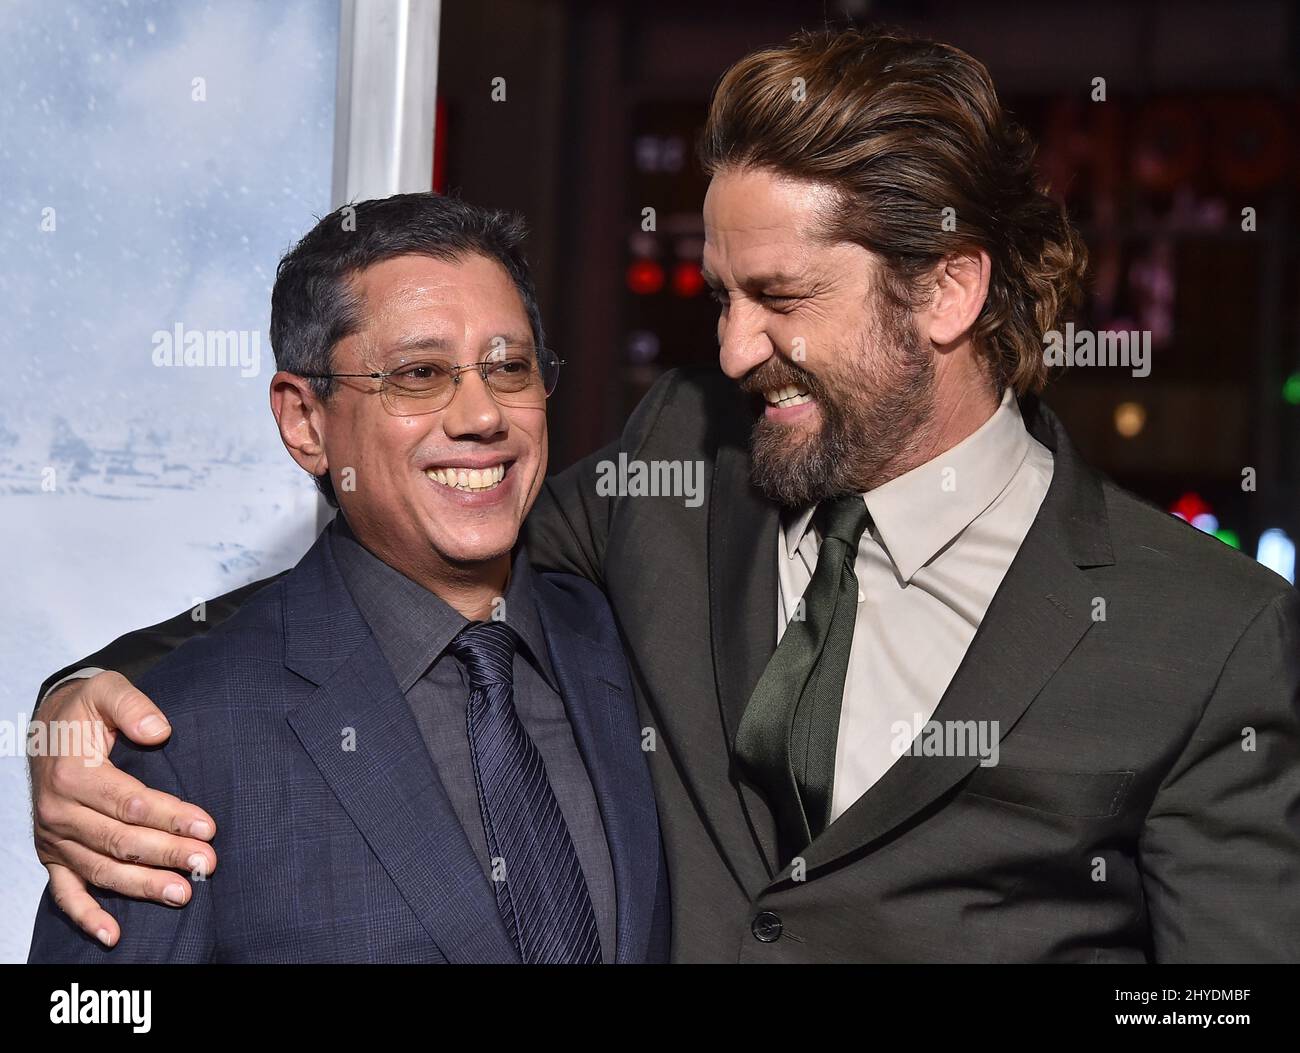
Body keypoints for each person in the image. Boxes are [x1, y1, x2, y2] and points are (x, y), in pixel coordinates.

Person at [30, 29, 1300, 963]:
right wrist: (83, 700)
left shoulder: (1204, 632)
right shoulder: (684, 458)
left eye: (783, 299)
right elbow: (410, 567)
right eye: (721, 298)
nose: (736, 348)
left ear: (948, 291)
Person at [28, 193, 668, 963]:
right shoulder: (181, 745)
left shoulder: (634, 650)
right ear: (305, 422)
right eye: (420, 374)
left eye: (510, 367)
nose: (483, 415)